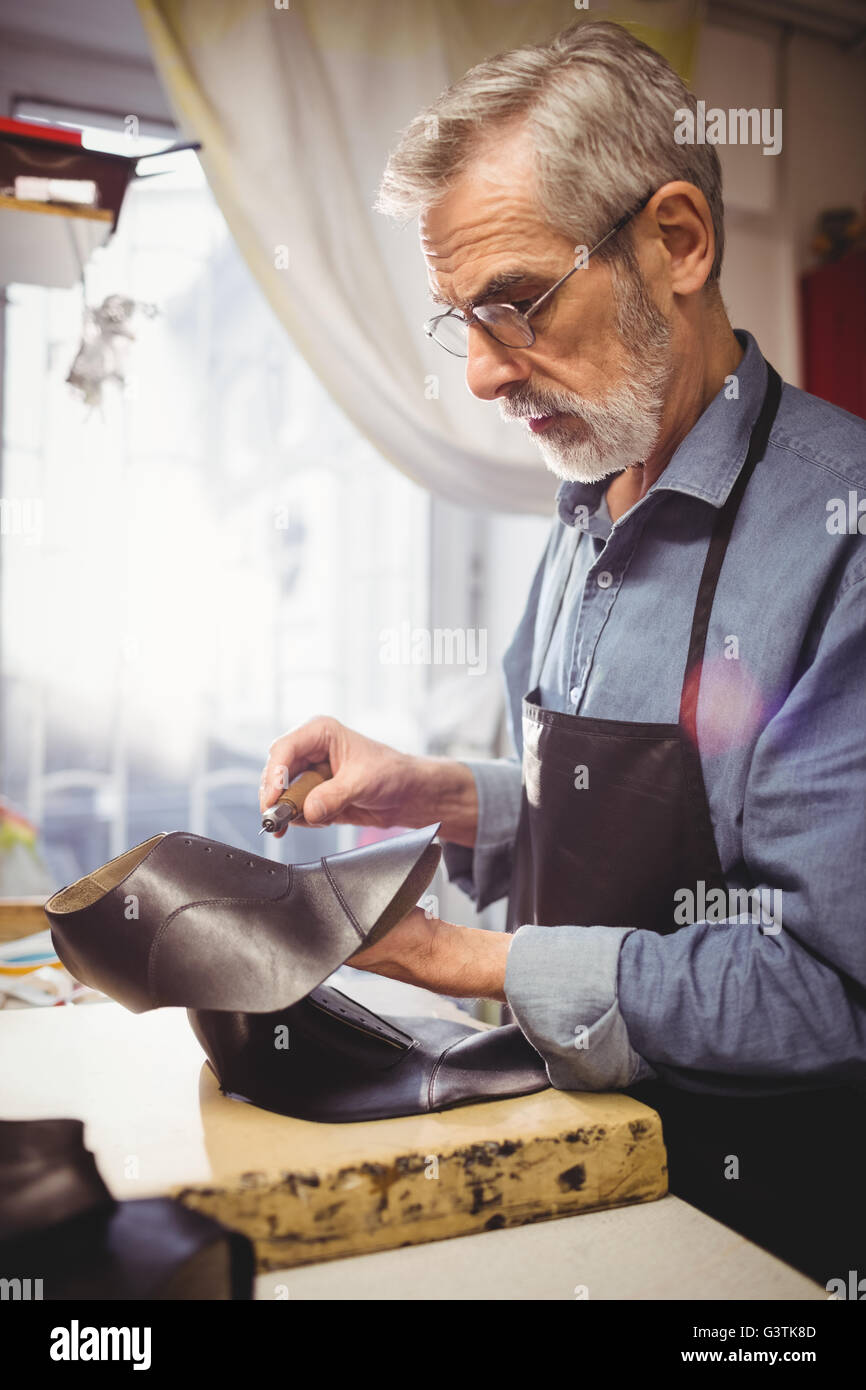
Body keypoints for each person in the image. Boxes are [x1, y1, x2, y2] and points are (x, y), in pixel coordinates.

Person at [260, 21, 866, 1286]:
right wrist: (439, 791)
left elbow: (827, 988)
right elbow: (621, 824)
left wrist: (467, 959)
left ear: (680, 242)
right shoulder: (592, 488)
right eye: (457, 321)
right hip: (570, 1167)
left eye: (515, 303)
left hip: (766, 1230)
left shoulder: (838, 537)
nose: (480, 374)